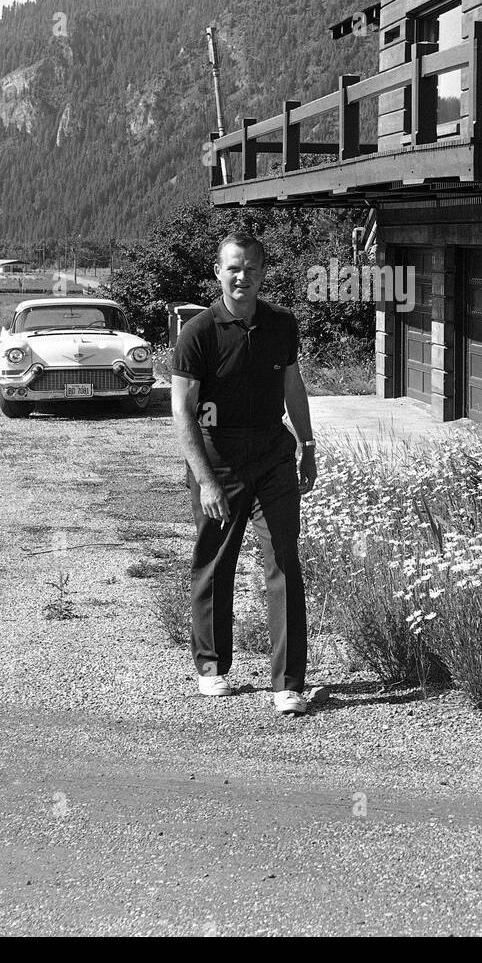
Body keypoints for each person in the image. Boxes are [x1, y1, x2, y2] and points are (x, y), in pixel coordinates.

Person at [170, 232, 317, 716]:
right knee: (216, 562)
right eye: (234, 267)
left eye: (252, 268)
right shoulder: (197, 333)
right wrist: (206, 479)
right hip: (219, 459)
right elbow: (182, 412)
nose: (243, 276)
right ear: (218, 272)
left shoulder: (281, 324)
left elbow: (292, 384)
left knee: (284, 563)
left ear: (262, 273)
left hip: (273, 454)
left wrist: (308, 445)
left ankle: (288, 683)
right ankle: (212, 668)